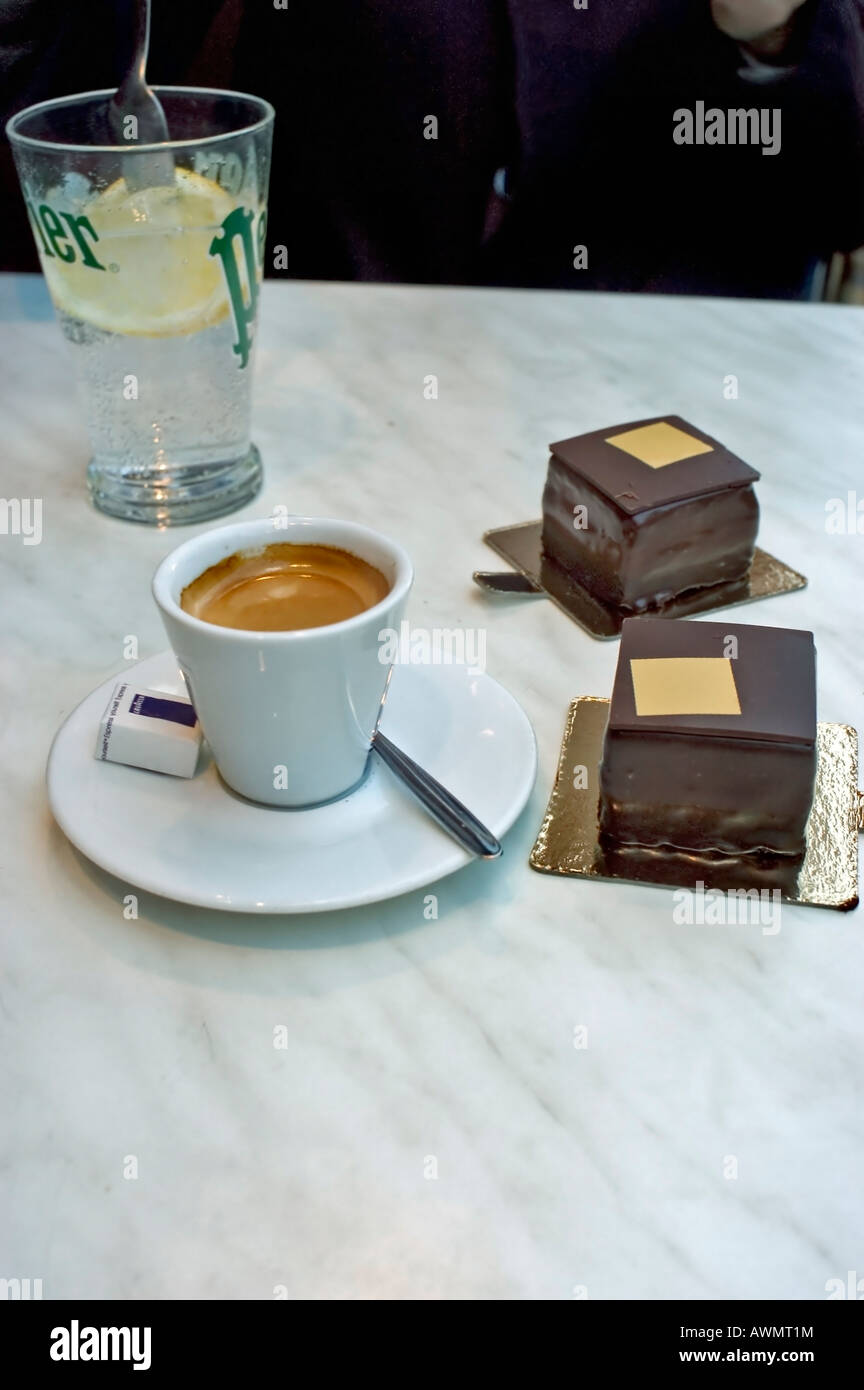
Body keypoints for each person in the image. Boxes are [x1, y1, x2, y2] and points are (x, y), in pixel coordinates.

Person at [2, 1, 863, 298]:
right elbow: (58, 118)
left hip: (681, 414)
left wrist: (773, 38)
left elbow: (836, 205)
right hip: (338, 388)